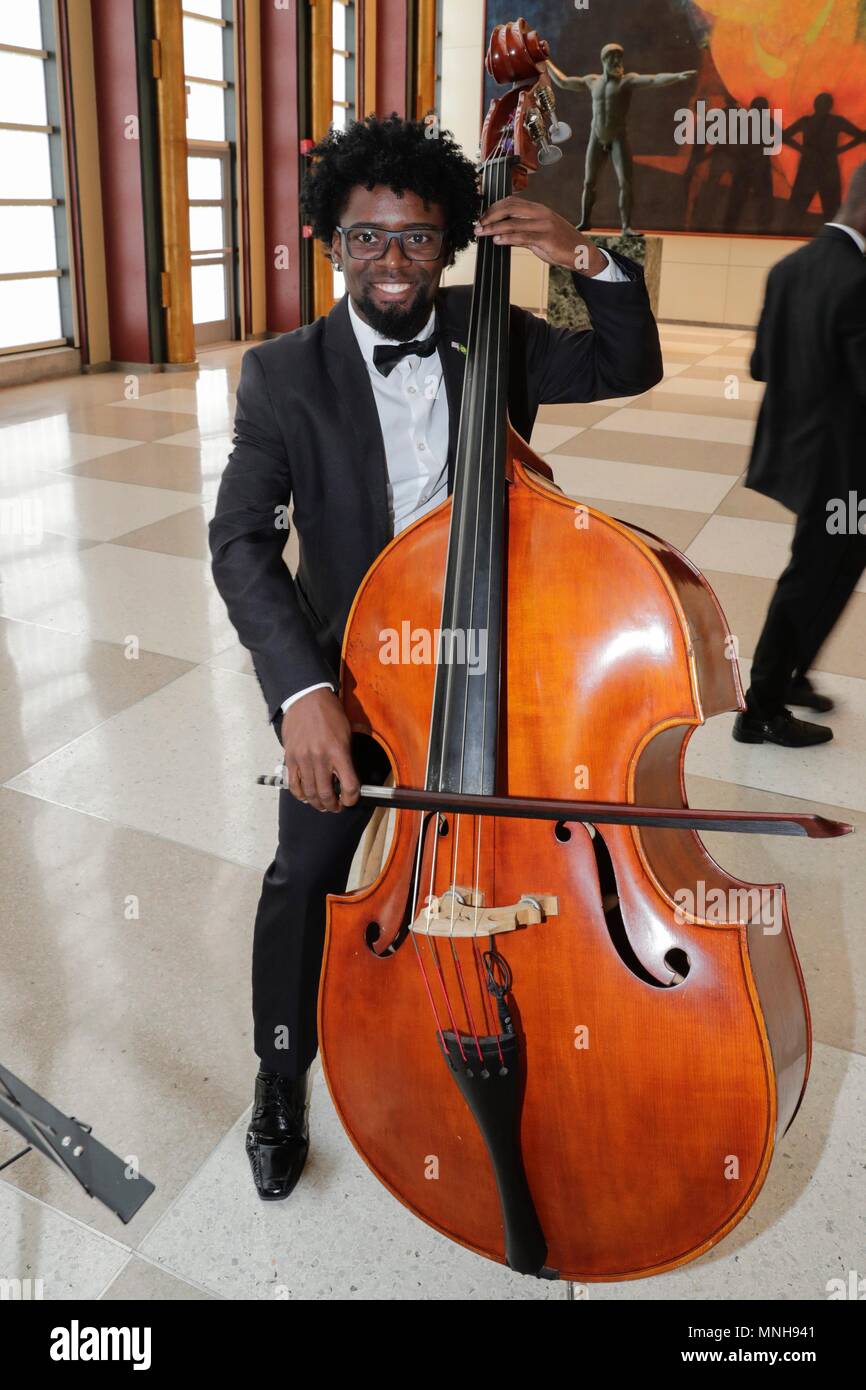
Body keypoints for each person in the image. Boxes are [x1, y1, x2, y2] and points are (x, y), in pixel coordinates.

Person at [209, 113, 663, 1201]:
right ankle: (280, 1070)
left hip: (500, 662)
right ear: (330, 242)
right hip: (355, 670)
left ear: (451, 238)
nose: (392, 260)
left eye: (415, 236)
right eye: (366, 237)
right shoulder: (281, 373)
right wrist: (302, 693)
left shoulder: (487, 328)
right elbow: (239, 541)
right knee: (305, 873)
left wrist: (583, 256)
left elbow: (627, 362)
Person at [734, 160, 866, 747]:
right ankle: (759, 709)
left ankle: (792, 675)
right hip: (843, 468)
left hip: (802, 455)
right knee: (813, 577)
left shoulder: (790, 267)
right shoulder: (859, 278)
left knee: (836, 567)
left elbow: (761, 365)